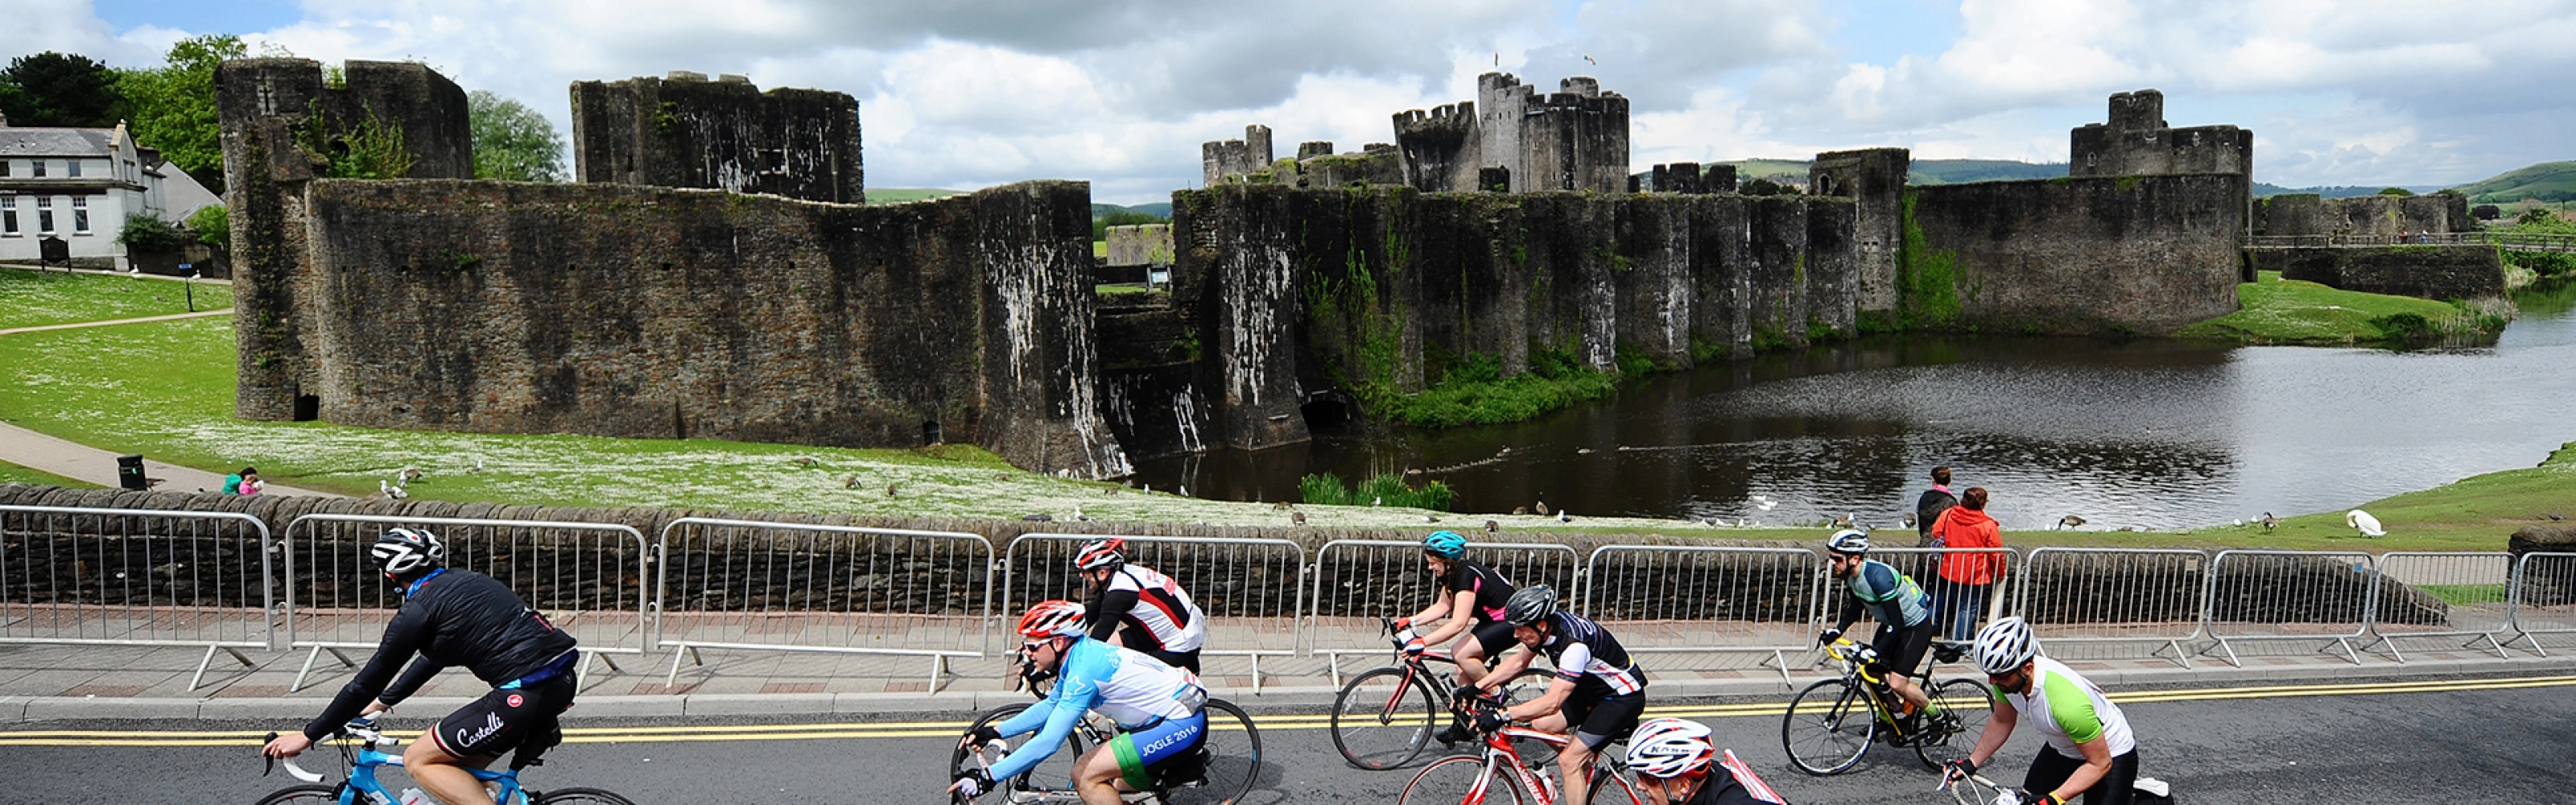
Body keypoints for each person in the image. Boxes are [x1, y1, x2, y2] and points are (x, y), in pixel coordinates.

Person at [260, 528, 580, 805]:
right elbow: (434, 658)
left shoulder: (419, 610)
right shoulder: (466, 582)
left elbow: (366, 682)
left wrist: (307, 735)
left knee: (419, 760)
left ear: (391, 574)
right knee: (456, 769)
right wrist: (384, 703)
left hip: (523, 693)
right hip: (560, 680)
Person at [952, 601, 1210, 805]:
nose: (1026, 654)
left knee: (1085, 775)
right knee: (1112, 791)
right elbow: (1052, 705)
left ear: (1058, 642)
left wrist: (989, 777)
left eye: (1032, 646)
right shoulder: (1078, 655)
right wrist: (996, 731)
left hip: (1180, 723)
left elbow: (1049, 741)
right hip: (1161, 718)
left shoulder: (1084, 672)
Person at [1466, 585, 1646, 805]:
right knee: (1542, 726)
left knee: (1569, 761)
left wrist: (1503, 714)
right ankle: (1587, 766)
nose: (1515, 635)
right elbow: (1518, 663)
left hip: (1620, 699)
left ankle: (1578, 763)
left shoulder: (1574, 647)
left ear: (1541, 625)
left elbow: (1553, 702)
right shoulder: (1547, 631)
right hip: (1590, 692)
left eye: (1521, 629)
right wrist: (1477, 687)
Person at [1944, 617, 2140, 805]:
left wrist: (2055, 798)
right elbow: (2002, 720)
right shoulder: (2006, 679)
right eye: (1990, 675)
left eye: (2000, 676)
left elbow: (2100, 763)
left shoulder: (2067, 703)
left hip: (2110, 755)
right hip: (2062, 748)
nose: (1992, 682)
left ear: (2028, 668)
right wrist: (1972, 762)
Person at [1818, 529, 1934, 728]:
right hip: (1892, 626)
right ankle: (1886, 717)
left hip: (1914, 628)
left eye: (1837, 559)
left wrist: (1876, 650)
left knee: (1898, 683)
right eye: (1831, 558)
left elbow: (1898, 624)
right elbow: (1856, 606)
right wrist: (1837, 631)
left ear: (1854, 559)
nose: (1832, 564)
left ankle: (1936, 716)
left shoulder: (1878, 578)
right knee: (1870, 669)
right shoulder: (1851, 577)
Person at [1073, 537, 1208, 673]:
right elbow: (1089, 617)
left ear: (1102, 572)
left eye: (1085, 572)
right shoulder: (1120, 577)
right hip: (1173, 628)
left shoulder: (1120, 594)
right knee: (1111, 645)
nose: (1081, 575)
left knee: (1127, 679)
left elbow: (1098, 639)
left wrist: (1072, 663)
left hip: (1177, 644)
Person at [1625, 718, 1790, 805]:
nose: (1639, 785)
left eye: (1649, 779)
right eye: (1639, 775)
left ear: (1684, 785)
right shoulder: (1702, 785)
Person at [1930, 487, 2004, 642]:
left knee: (1959, 604)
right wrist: (2000, 572)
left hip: (1951, 568)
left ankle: (1960, 636)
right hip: (1975, 572)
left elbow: (1936, 532)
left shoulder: (1949, 514)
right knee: (1968, 607)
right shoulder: (1987, 525)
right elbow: (1996, 552)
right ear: (1983, 504)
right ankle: (1959, 641)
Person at [1915, 466, 1958, 547]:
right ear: (1950, 480)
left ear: (1933, 479)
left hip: (1925, 541)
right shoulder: (1950, 501)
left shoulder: (1924, 498)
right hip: (1944, 545)